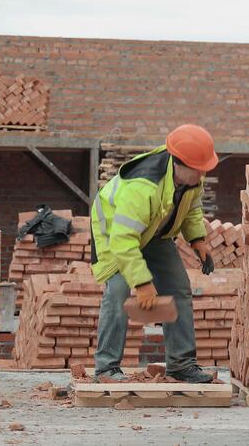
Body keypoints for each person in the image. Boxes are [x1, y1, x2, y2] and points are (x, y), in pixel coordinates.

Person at [89, 124, 218, 383]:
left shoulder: (192, 176)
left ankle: (181, 364)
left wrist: (197, 239)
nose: (203, 173)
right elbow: (124, 241)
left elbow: (191, 207)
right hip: (116, 234)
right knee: (118, 292)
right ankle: (106, 368)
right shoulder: (143, 186)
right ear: (179, 164)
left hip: (155, 233)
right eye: (199, 168)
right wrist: (143, 283)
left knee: (178, 289)